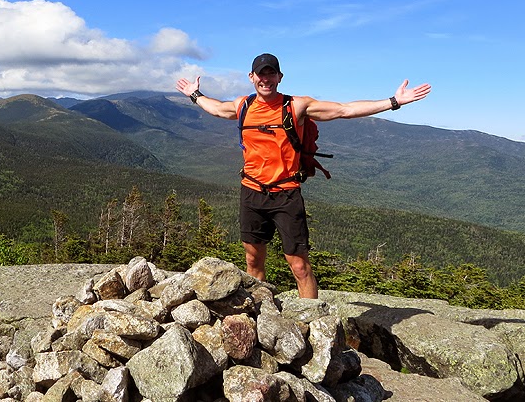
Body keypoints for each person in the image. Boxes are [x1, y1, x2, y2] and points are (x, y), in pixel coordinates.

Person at [175, 53, 431, 298]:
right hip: (251, 191)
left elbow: (344, 109)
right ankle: (256, 314)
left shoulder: (295, 106)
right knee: (252, 262)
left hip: (286, 195)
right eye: (261, 75)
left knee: (299, 266)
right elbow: (218, 108)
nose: (266, 79)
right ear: (251, 77)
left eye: (271, 73)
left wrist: (394, 102)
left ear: (280, 77)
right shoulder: (243, 106)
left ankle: (312, 321)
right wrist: (194, 94)